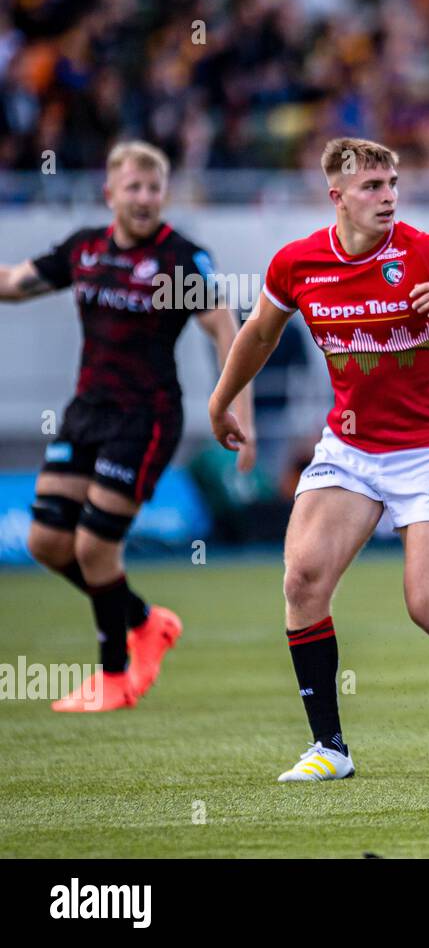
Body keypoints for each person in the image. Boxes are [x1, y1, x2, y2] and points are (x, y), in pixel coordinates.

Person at [207, 137, 429, 782]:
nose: (388, 197)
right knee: (302, 580)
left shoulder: (426, 252)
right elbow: (259, 333)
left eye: (392, 184)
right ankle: (329, 747)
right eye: (372, 187)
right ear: (337, 197)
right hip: (349, 450)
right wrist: (222, 402)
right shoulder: (297, 264)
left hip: (427, 449)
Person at [0, 140, 253, 712]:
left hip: (147, 417)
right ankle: (146, 621)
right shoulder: (84, 249)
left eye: (154, 188)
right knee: (46, 542)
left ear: (164, 195)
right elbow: (16, 283)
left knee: (93, 546)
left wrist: (236, 408)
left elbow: (224, 326)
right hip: (86, 412)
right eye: (133, 187)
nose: (144, 198)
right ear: (109, 192)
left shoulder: (181, 258)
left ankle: (114, 677)